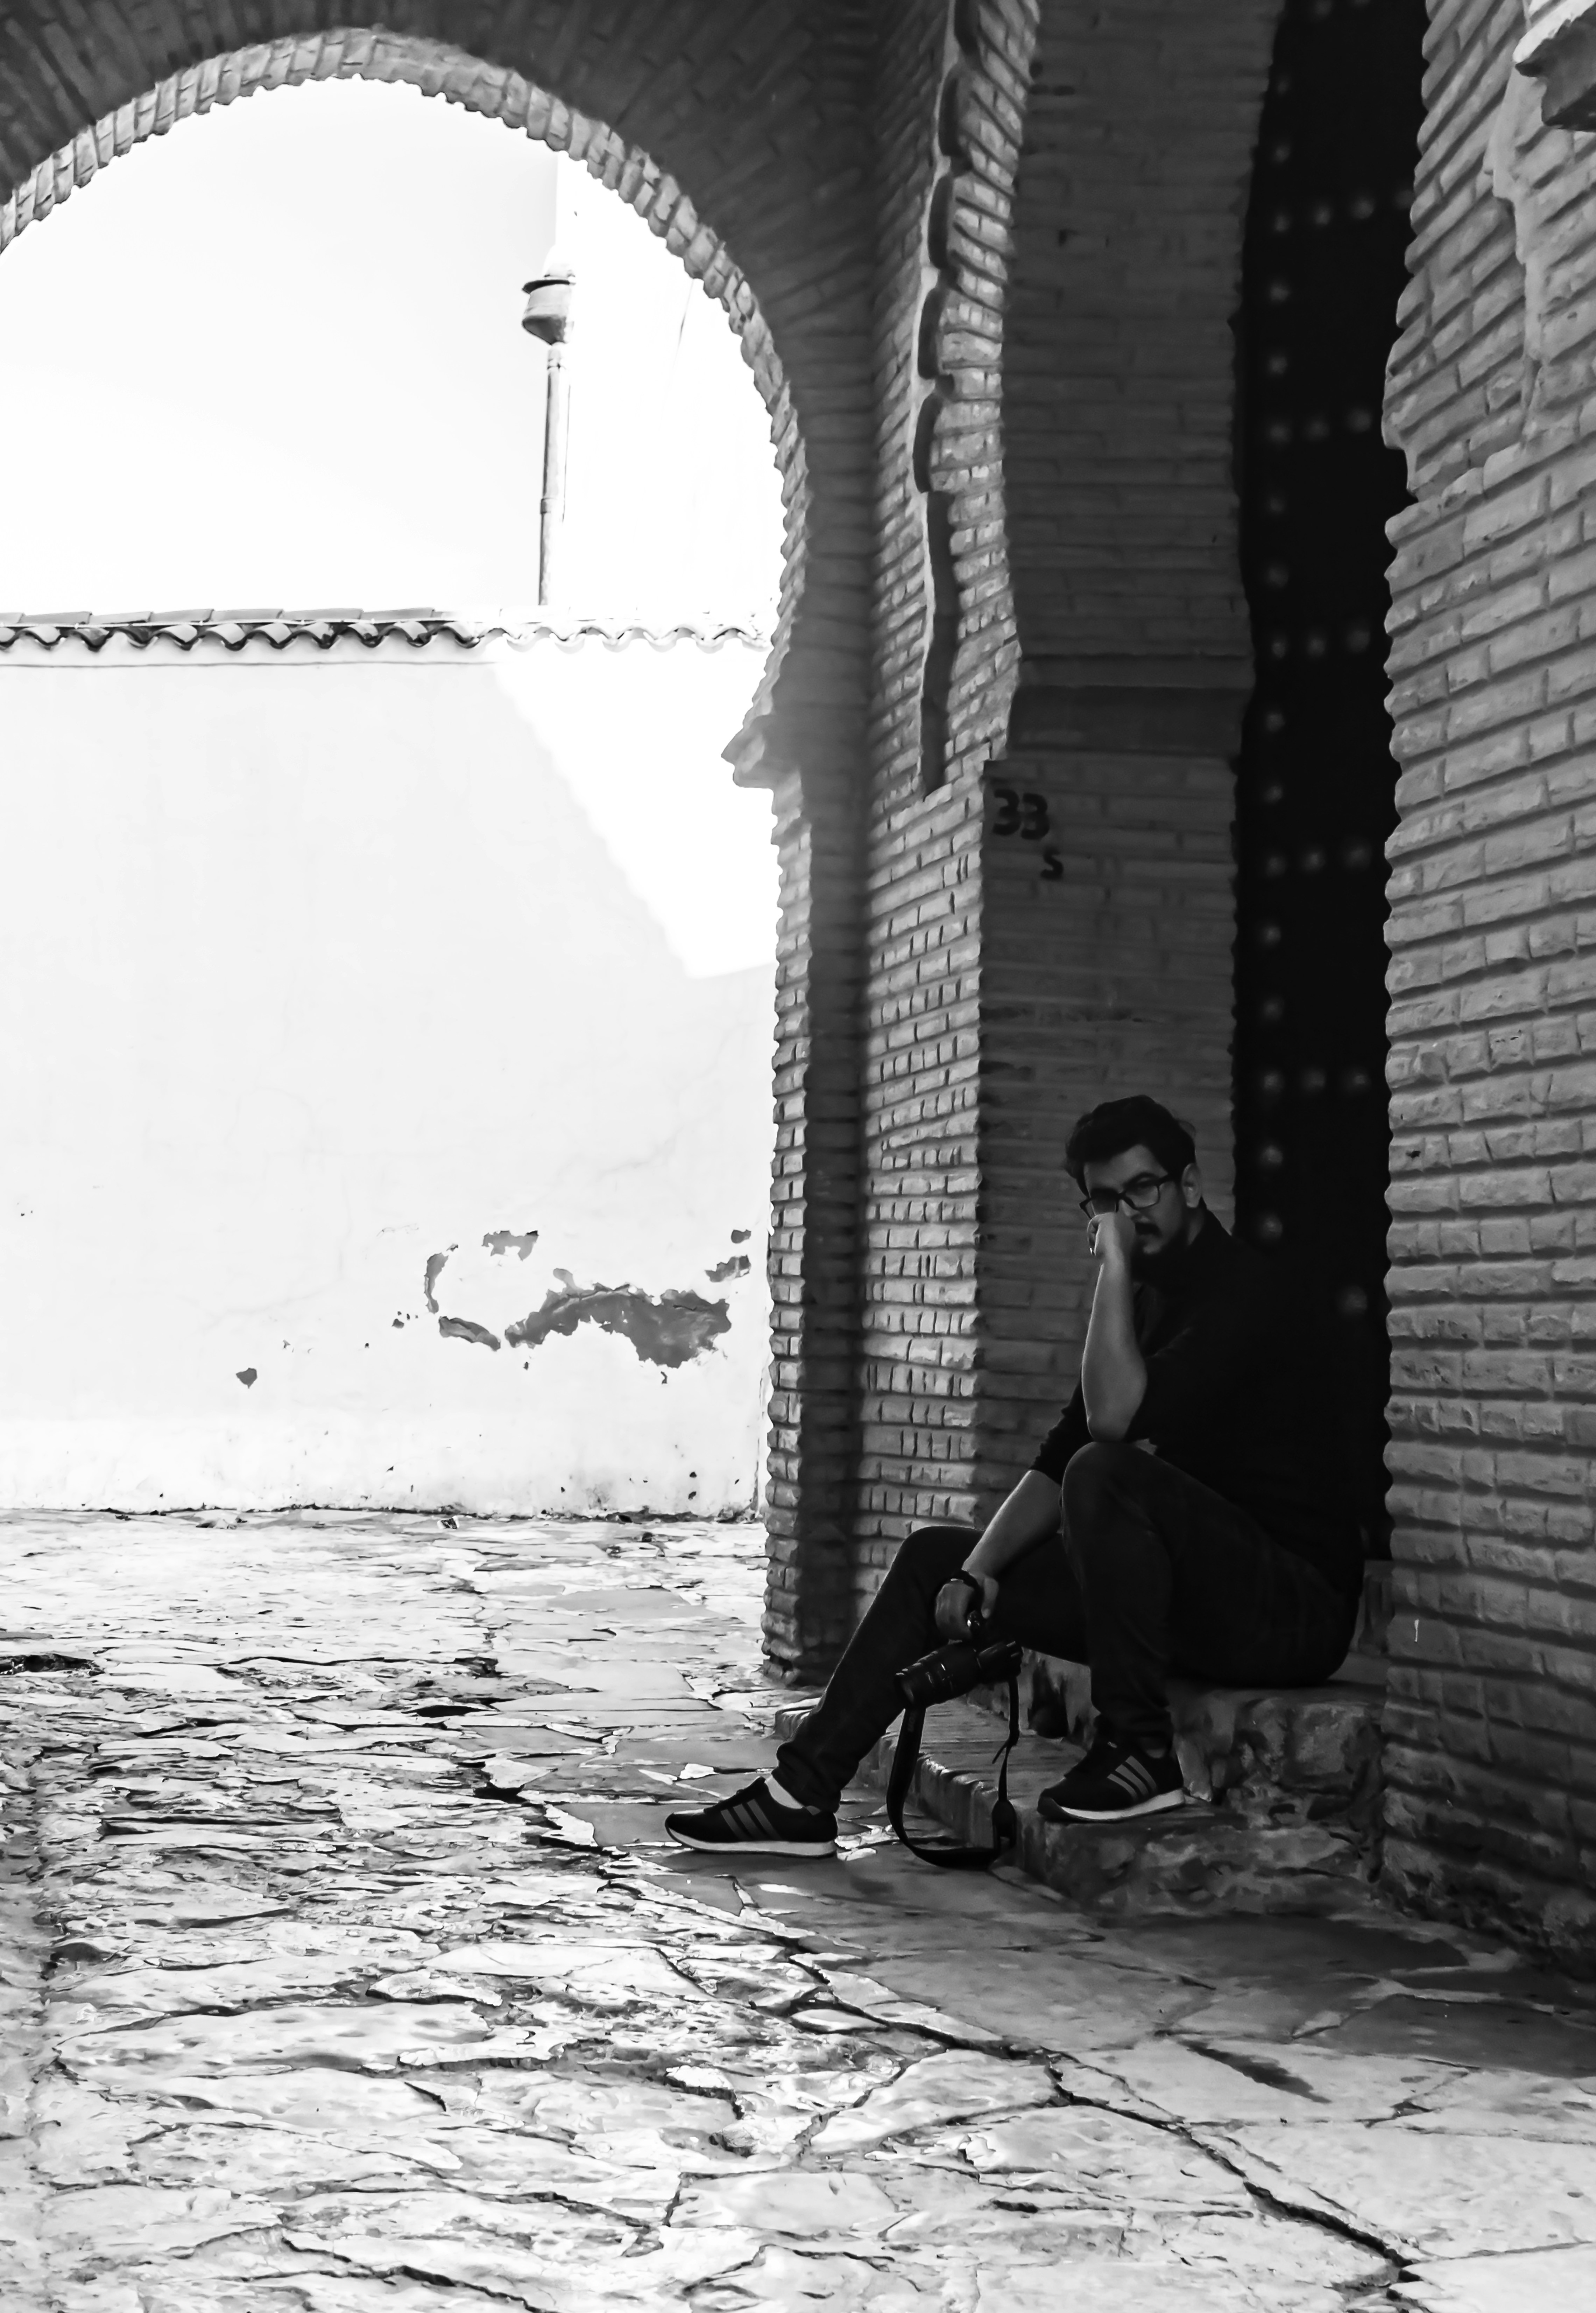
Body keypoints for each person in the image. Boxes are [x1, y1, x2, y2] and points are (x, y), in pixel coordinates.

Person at [666, 1095, 1364, 1858]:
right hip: (1195, 1605)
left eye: (1143, 1189)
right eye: (1104, 1200)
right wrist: (975, 1574)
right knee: (940, 1555)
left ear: (1189, 1185)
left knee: (1108, 1473)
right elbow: (1062, 1447)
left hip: (1290, 1612)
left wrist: (1115, 1269)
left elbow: (1109, 1429)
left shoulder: (1245, 1293)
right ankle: (799, 1796)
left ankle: (1141, 1752)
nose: (1127, 1213)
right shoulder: (1145, 1297)